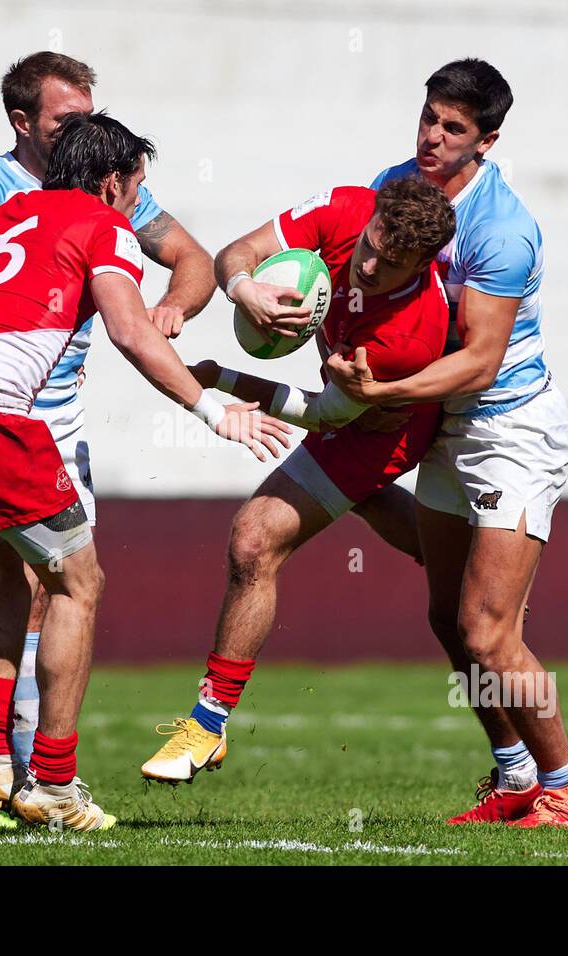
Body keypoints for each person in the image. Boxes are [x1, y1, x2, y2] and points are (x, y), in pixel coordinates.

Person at [0, 111, 290, 830]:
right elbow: (131, 332)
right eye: (137, 188)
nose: (139, 203)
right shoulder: (103, 226)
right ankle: (54, 783)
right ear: (111, 182)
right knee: (81, 582)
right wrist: (212, 411)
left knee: (15, 577)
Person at [329, 58, 568, 828]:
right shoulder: (397, 187)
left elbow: (478, 358)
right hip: (442, 423)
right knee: (448, 619)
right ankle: (514, 775)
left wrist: (378, 394)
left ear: (488, 140)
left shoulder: (502, 226)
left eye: (454, 129)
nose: (433, 138)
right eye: (429, 118)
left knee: (488, 629)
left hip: (509, 428)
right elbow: (357, 278)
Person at [140, 178, 454, 783]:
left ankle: (206, 727)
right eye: (368, 246)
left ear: (420, 265)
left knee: (255, 539)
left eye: (388, 268)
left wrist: (222, 379)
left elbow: (326, 414)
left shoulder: (410, 335)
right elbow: (240, 250)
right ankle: (461, 566)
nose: (365, 267)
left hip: (382, 424)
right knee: (360, 502)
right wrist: (243, 287)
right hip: (345, 403)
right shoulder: (345, 207)